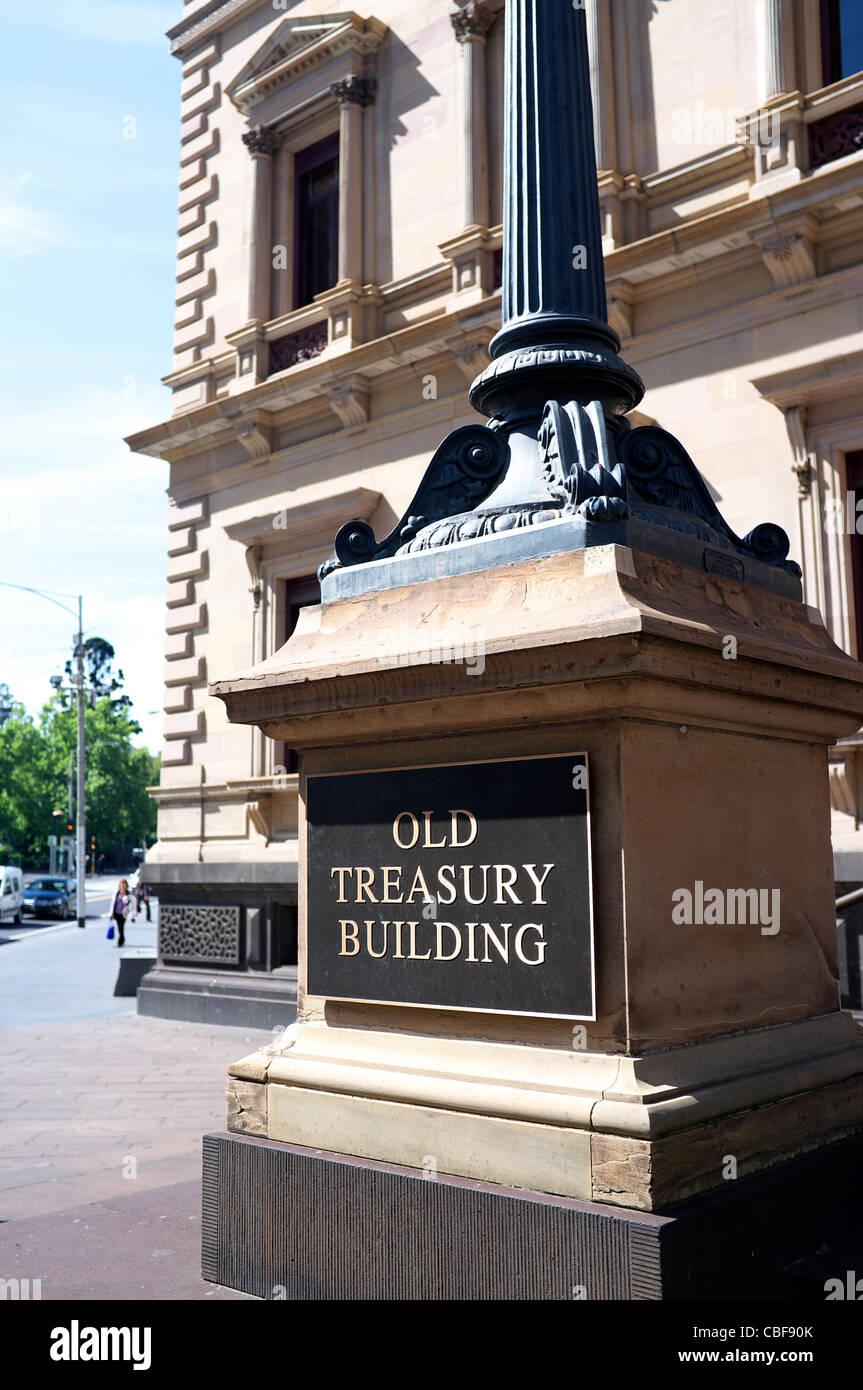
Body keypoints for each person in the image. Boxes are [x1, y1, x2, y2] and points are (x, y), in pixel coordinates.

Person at [110, 878, 136, 947]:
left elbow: (133, 904)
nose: (123, 886)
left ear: (126, 885)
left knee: (121, 926)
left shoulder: (129, 893)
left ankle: (120, 941)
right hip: (117, 912)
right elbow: (113, 903)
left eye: (124, 885)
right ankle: (122, 939)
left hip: (125, 913)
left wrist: (133, 914)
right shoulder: (117, 892)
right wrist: (111, 913)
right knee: (120, 927)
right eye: (122, 884)